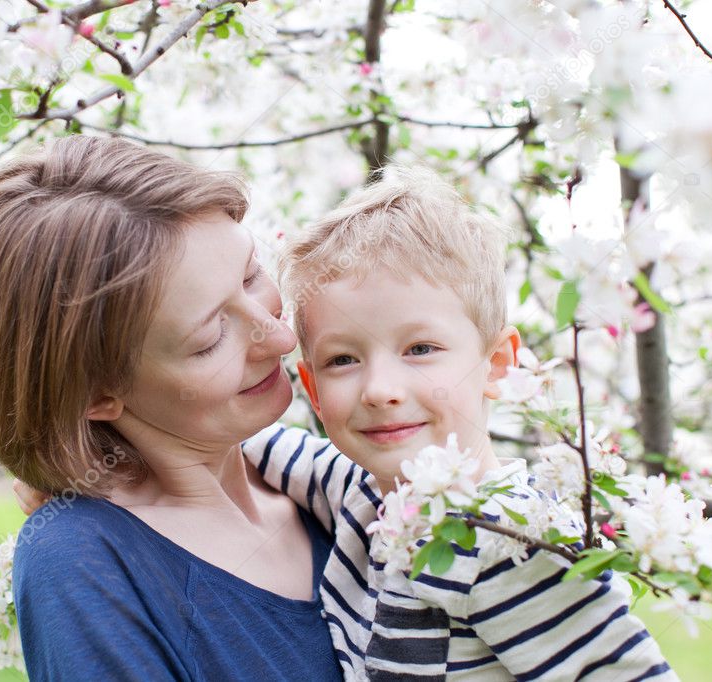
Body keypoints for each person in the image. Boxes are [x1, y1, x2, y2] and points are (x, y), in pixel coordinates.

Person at [237, 165, 677, 680]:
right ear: (312, 390)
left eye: (420, 349)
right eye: (342, 360)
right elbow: (262, 443)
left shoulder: (507, 546)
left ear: (496, 364)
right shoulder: (356, 488)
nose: (380, 390)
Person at [0, 134, 342, 681]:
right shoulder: (84, 562)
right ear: (95, 394)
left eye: (252, 274)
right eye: (210, 338)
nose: (280, 337)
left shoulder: (327, 485)